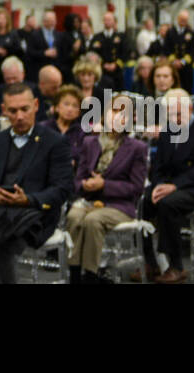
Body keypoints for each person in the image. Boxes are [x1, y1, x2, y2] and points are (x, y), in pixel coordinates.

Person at [0, 82, 74, 284]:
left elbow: (63, 189)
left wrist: (27, 199)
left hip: (32, 215)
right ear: (4, 110)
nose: (20, 116)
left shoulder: (55, 143)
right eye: (13, 111)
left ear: (36, 105)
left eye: (25, 109)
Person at [136, 89, 194, 284]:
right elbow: (158, 167)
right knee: (142, 201)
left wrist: (173, 186)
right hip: (169, 186)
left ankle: (176, 266)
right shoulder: (167, 131)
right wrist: (157, 185)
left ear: (190, 108)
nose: (175, 118)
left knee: (168, 203)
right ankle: (150, 262)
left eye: (179, 113)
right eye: (171, 114)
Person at [66, 94, 148, 284]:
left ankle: (91, 275)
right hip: (89, 200)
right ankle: (75, 274)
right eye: (114, 111)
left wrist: (105, 185)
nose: (117, 117)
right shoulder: (89, 143)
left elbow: (136, 188)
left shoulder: (137, 148)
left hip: (120, 206)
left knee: (93, 220)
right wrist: (85, 185)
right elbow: (77, 180)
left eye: (124, 114)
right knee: (74, 217)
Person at [41, 85, 86, 166]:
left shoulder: (82, 132)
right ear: (57, 107)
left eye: (75, 106)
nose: (70, 109)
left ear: (79, 112)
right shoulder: (43, 128)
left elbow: (83, 159)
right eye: (66, 104)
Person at [0, 8, 29, 86]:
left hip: (8, 67)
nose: (1, 21)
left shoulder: (13, 34)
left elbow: (19, 51)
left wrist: (5, 51)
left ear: (7, 20)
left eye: (3, 18)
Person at [90, 11, 131, 89]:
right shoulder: (97, 37)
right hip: (101, 71)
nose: (107, 22)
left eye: (109, 20)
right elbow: (92, 53)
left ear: (114, 21)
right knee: (104, 95)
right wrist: (102, 64)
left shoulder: (121, 37)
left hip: (117, 72)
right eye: (105, 20)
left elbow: (126, 52)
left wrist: (116, 64)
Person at [28, 10, 69, 79]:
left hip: (56, 69)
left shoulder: (60, 35)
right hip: (39, 69)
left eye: (54, 20)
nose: (53, 23)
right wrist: (44, 53)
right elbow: (30, 52)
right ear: (44, 21)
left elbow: (64, 52)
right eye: (51, 21)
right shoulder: (34, 35)